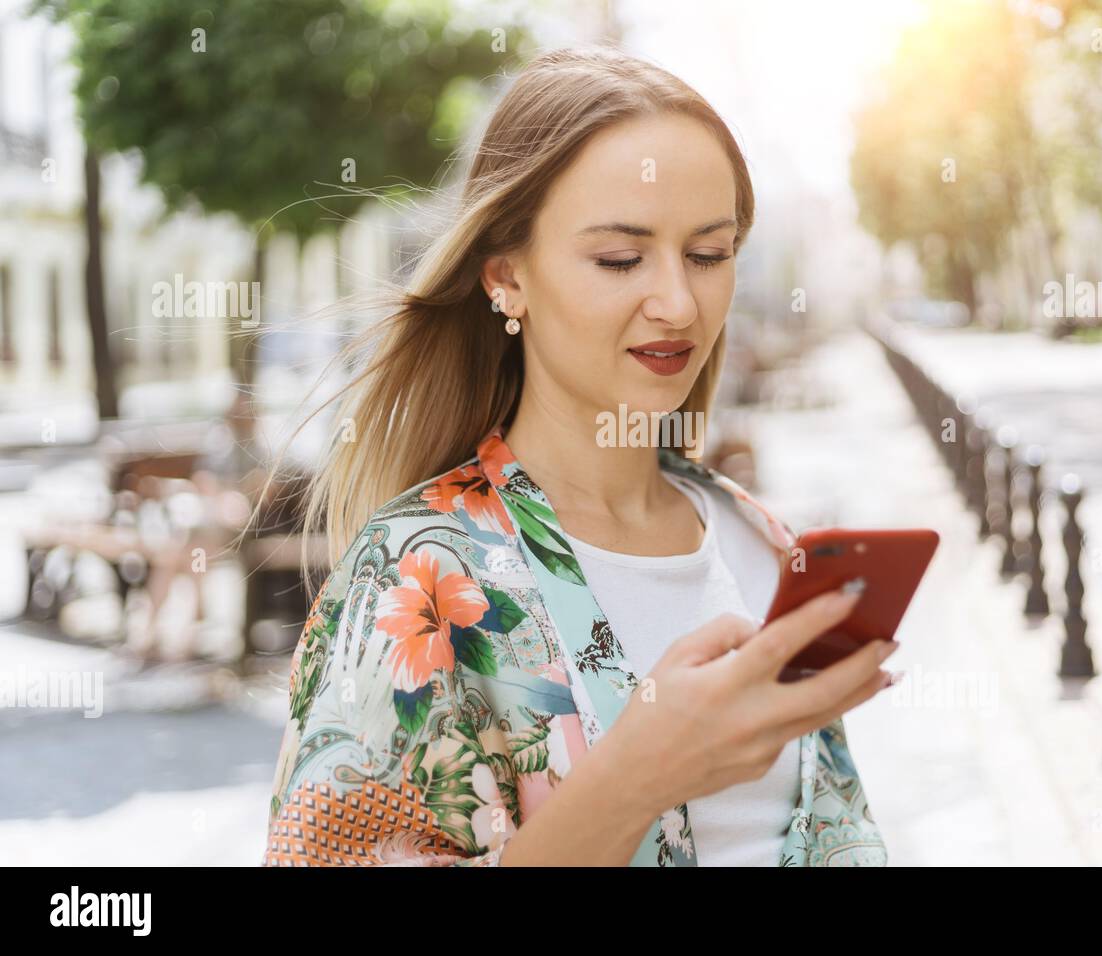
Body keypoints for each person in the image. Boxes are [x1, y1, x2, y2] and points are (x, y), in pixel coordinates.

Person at [261, 46, 898, 868]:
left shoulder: (767, 545)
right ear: (506, 279)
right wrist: (634, 778)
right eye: (619, 260)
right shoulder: (413, 576)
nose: (677, 303)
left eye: (709, 254)